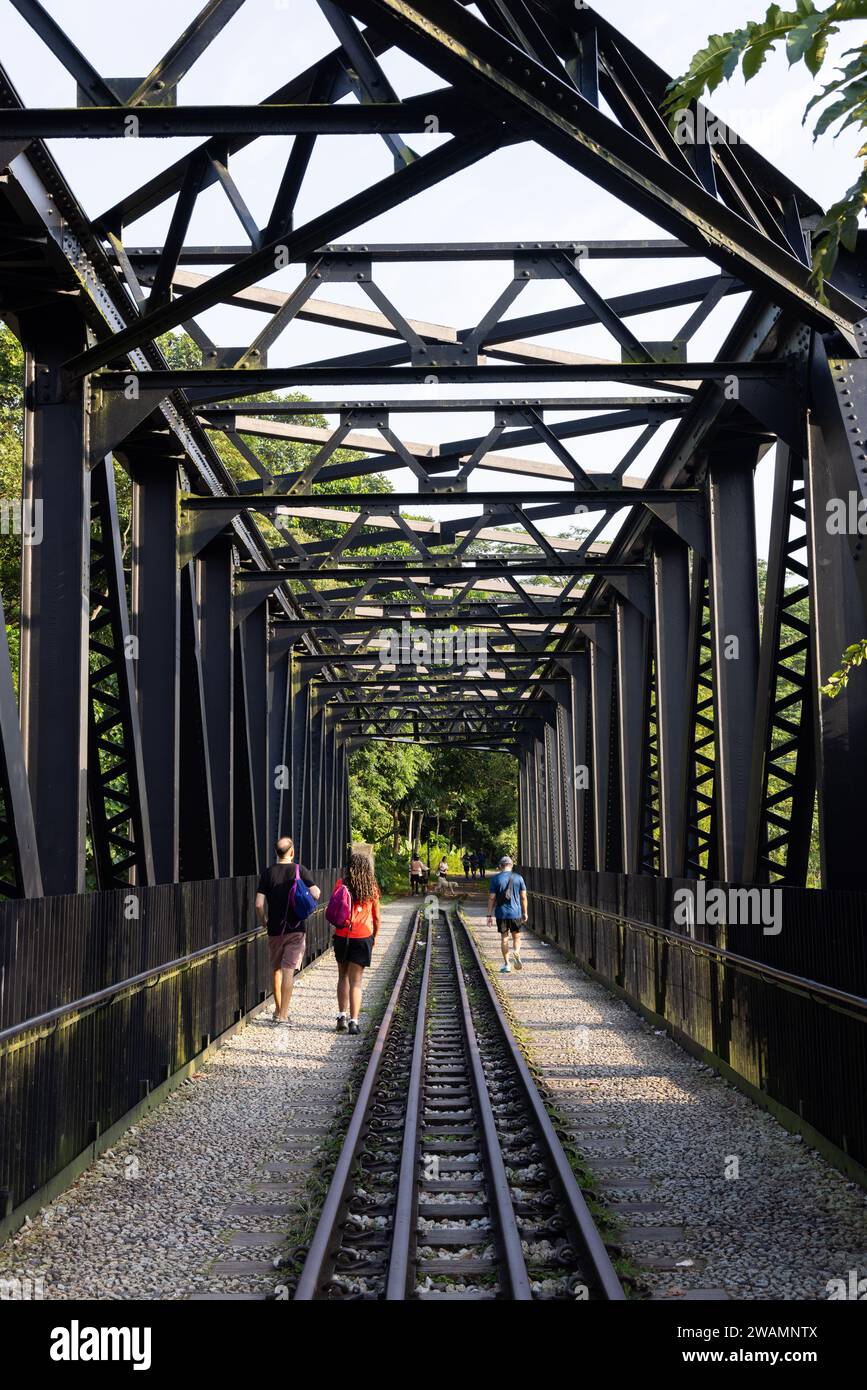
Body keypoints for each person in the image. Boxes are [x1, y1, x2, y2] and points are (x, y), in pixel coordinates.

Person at [256, 837, 320, 1025]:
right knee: (288, 971)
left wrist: (264, 921)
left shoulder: (268, 874)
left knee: (276, 969)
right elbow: (316, 893)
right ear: (291, 852)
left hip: (275, 929)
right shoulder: (299, 870)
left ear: (276, 853)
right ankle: (284, 1015)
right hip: (296, 928)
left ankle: (277, 1010)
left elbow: (259, 904)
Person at [333, 850, 381, 1034]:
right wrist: (374, 937)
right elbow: (377, 918)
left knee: (342, 977)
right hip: (362, 936)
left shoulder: (341, 884)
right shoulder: (372, 887)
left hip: (342, 936)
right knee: (357, 981)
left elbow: (337, 910)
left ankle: (341, 1017)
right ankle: (354, 1021)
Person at [486, 855, 528, 973]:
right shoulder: (519, 878)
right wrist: (525, 912)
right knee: (517, 936)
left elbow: (491, 897)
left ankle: (507, 964)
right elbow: (523, 897)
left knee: (504, 939)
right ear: (511, 865)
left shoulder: (495, 879)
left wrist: (489, 915)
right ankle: (516, 952)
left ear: (500, 866)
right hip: (516, 913)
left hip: (501, 914)